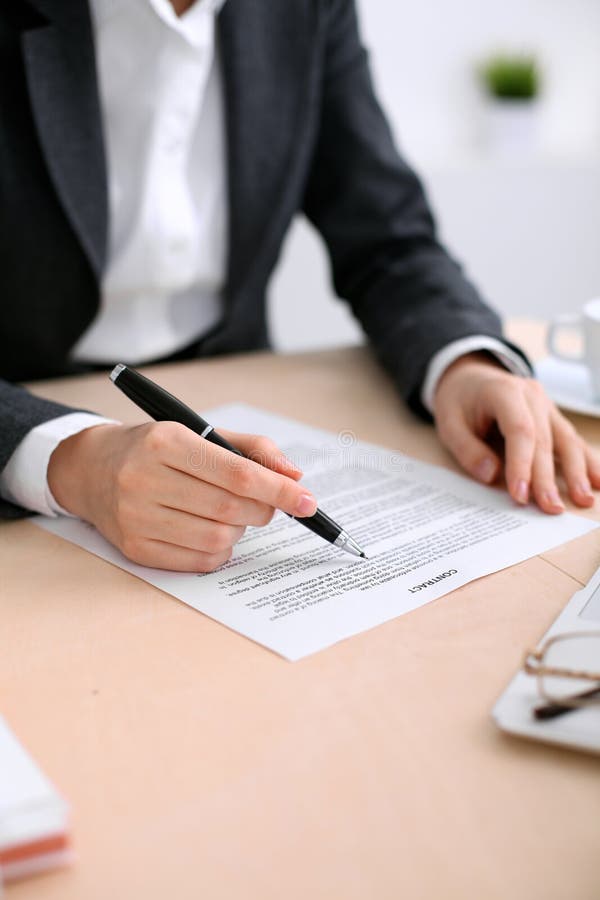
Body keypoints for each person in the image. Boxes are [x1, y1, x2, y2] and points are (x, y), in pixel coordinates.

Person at [1, 0, 598, 572]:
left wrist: (465, 361)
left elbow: (387, 234)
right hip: (27, 397)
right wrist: (70, 457)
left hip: (237, 382)